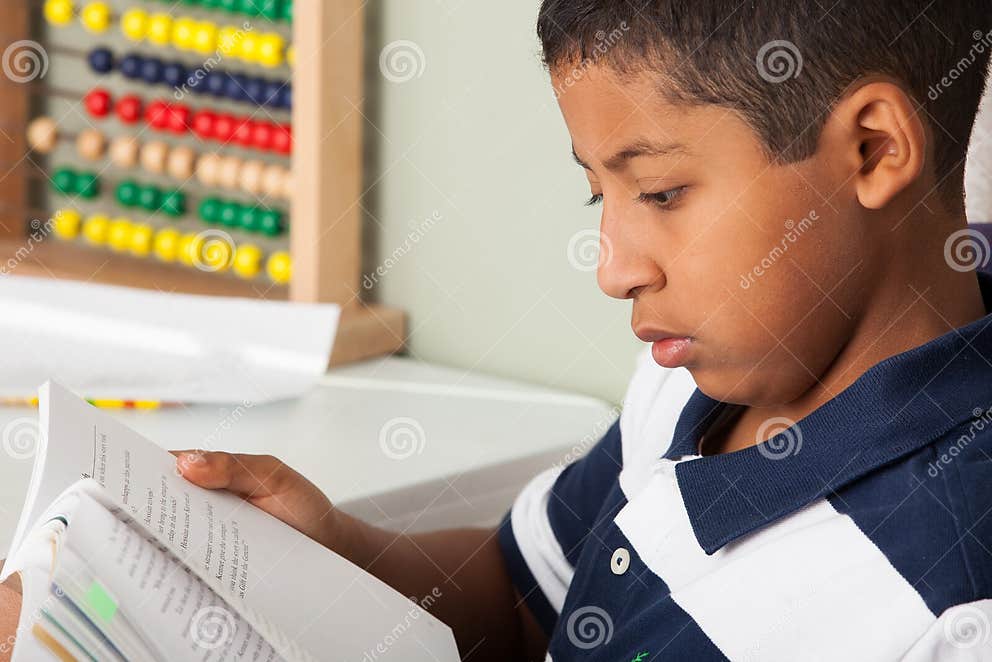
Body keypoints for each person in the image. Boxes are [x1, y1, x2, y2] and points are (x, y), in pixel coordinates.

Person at [7, 0, 992, 659]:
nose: (611, 266)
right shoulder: (696, 378)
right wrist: (337, 549)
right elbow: (527, 597)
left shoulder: (943, 608)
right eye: (594, 191)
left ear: (871, 148)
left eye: (658, 191)